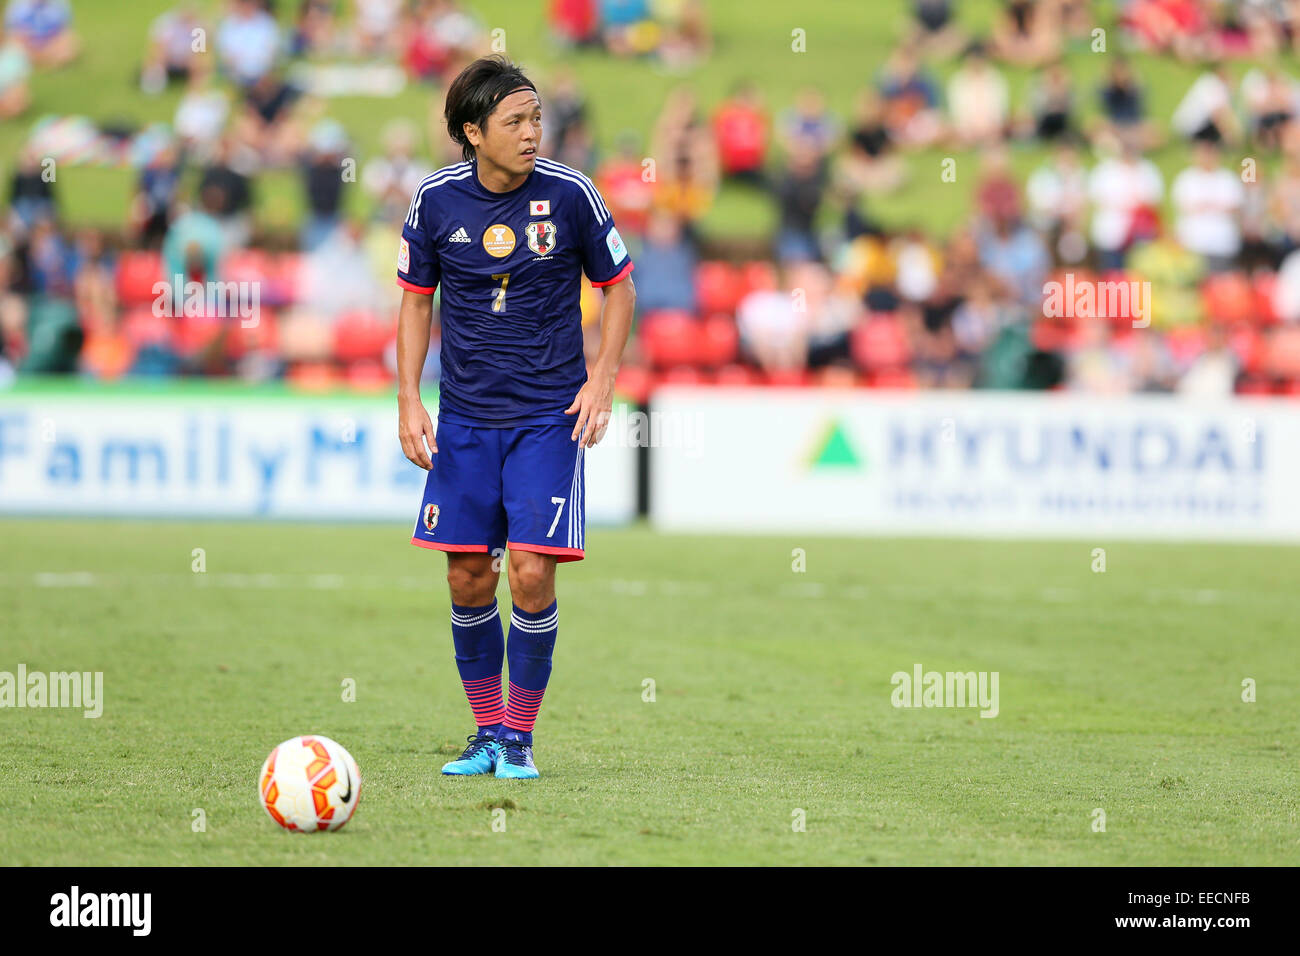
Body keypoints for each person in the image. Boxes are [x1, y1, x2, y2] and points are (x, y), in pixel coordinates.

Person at [396, 55, 636, 780]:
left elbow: (619, 286)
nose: (533, 133)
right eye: (515, 121)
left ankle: (519, 739)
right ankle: (486, 732)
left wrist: (602, 379)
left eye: (536, 118)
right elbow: (415, 301)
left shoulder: (571, 194)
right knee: (469, 577)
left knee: (531, 573)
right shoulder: (436, 201)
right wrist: (408, 397)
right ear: (473, 132)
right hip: (465, 421)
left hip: (547, 418)